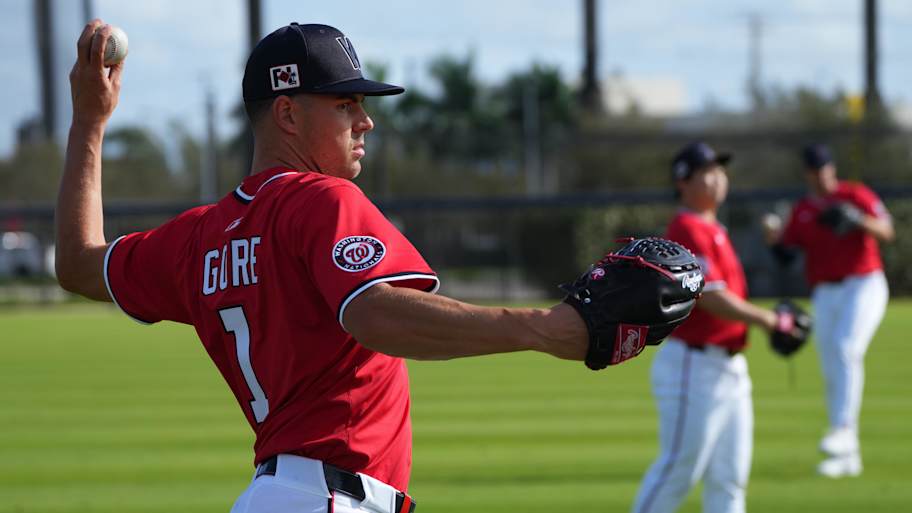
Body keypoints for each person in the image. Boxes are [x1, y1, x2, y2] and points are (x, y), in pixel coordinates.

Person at [55, 20, 636, 513]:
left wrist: (89, 121)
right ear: (286, 113)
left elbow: (78, 264)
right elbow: (376, 314)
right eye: (345, 104)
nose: (366, 121)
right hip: (329, 498)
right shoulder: (321, 200)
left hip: (276, 495)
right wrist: (545, 328)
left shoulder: (198, 238)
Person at [631, 142, 789, 513]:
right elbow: (711, 295)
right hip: (694, 366)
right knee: (679, 471)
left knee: (730, 479)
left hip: (730, 367)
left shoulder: (712, 227)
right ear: (682, 182)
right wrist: (768, 320)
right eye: (707, 172)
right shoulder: (686, 228)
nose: (718, 178)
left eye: (720, 170)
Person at [763, 144, 894, 478]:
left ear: (832, 168)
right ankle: (848, 457)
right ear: (808, 173)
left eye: (824, 167)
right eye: (814, 169)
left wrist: (858, 220)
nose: (820, 174)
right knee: (831, 365)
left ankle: (843, 432)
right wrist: (774, 240)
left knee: (846, 349)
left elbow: (887, 231)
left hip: (863, 284)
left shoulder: (855, 194)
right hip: (824, 291)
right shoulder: (804, 209)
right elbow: (788, 253)